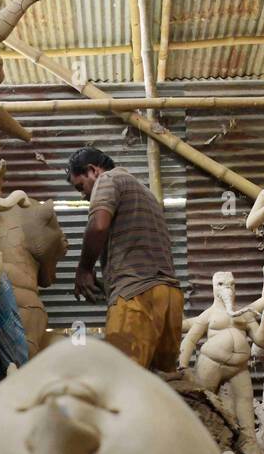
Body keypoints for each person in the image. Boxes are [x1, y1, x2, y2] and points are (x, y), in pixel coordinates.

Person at [67, 147, 182, 371]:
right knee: (159, 387)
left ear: (92, 171)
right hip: (169, 298)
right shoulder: (146, 194)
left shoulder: (108, 179)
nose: (83, 195)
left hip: (136, 297)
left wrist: (84, 269)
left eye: (80, 186)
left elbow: (98, 226)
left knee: (119, 383)